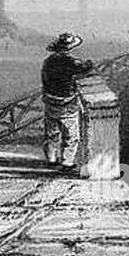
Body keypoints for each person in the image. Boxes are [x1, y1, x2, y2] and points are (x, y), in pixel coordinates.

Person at [41, 33, 94, 168]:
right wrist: (90, 63)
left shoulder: (48, 62)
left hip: (50, 101)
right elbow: (85, 68)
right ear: (69, 48)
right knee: (71, 135)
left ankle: (51, 160)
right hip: (67, 103)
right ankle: (66, 162)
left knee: (51, 133)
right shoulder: (71, 62)